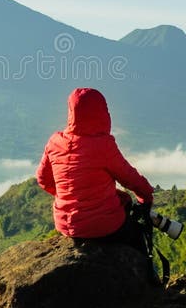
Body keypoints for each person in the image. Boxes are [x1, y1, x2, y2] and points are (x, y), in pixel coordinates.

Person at [36, 87, 154, 244]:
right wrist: (145, 197)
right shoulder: (103, 145)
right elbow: (129, 177)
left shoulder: (54, 142)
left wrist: (67, 196)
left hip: (64, 225)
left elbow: (43, 179)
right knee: (137, 235)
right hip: (102, 226)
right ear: (102, 113)